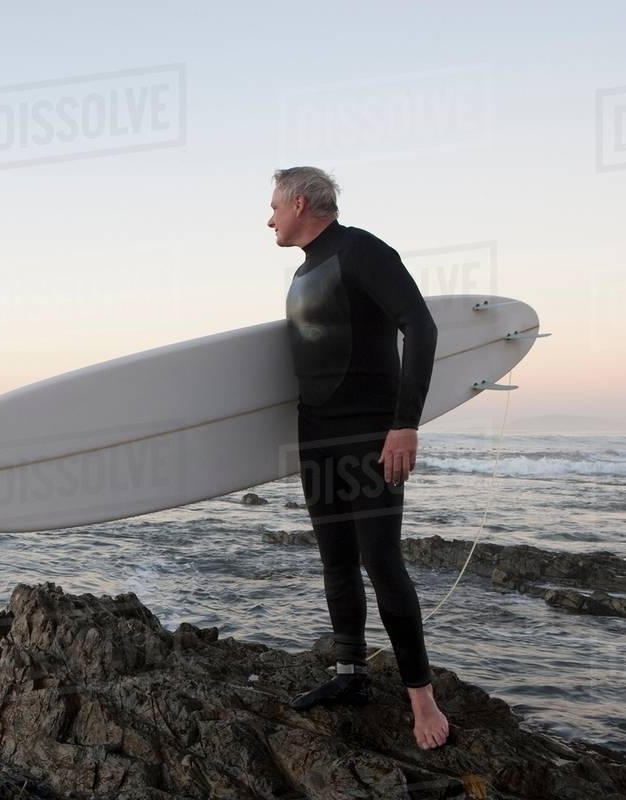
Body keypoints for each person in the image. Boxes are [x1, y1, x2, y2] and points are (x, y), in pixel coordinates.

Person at [269, 166, 450, 750]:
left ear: (301, 203)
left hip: (372, 434)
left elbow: (419, 326)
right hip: (316, 433)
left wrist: (404, 425)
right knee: (336, 560)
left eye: (274, 206)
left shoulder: (361, 250)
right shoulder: (304, 271)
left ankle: (421, 698)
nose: (268, 218)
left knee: (381, 560)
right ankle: (350, 675)